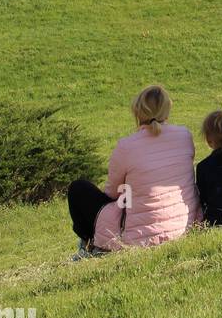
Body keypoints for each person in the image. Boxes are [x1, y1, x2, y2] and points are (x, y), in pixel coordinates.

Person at [67, 85, 202, 259]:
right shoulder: (185, 135)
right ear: (167, 110)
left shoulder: (126, 146)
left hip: (141, 237)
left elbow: (111, 193)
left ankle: (89, 245)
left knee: (78, 189)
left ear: (137, 112)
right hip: (184, 225)